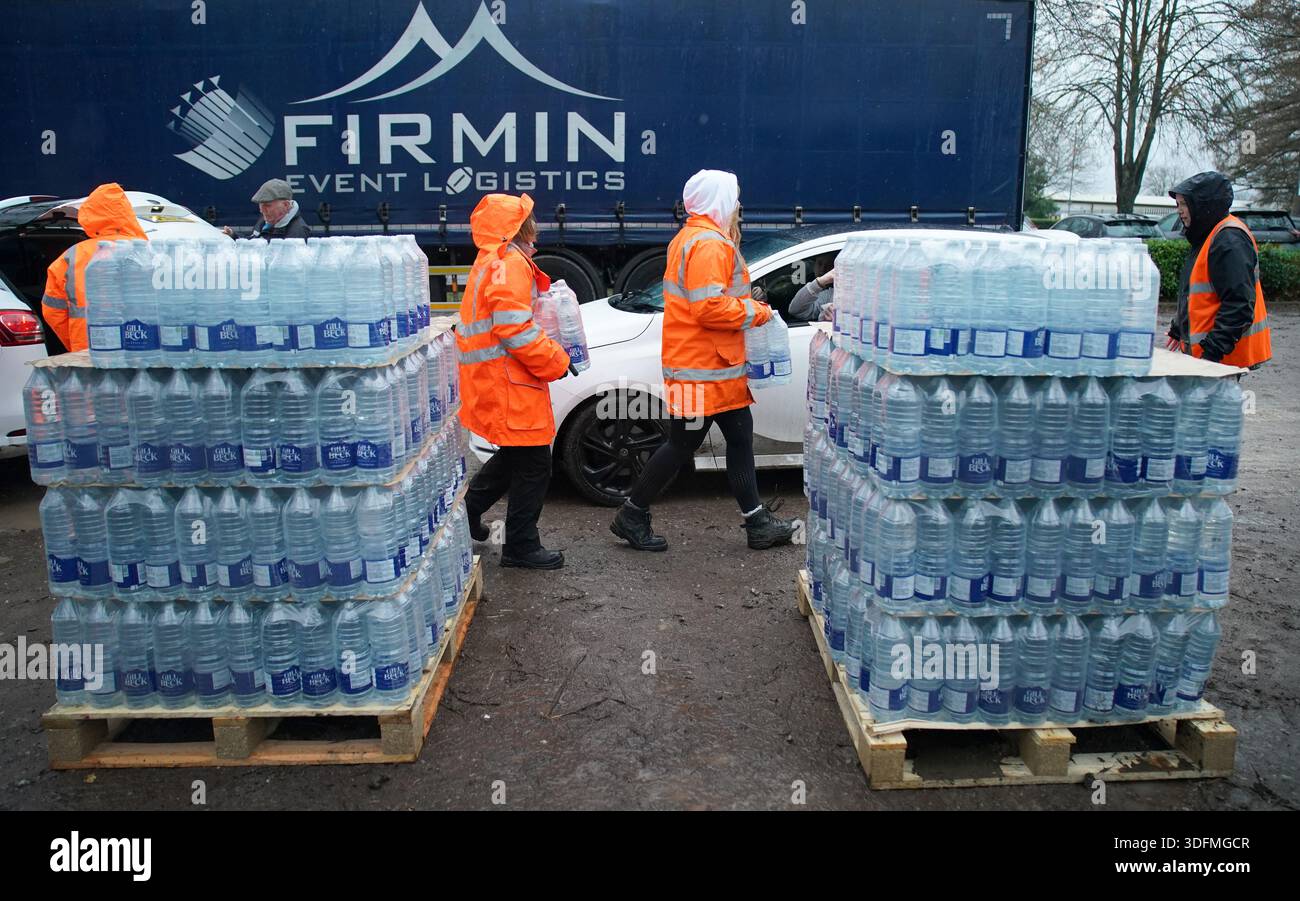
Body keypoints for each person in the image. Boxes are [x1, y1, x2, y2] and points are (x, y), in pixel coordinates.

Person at [611, 169, 797, 552]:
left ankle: (756, 520)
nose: (739, 205)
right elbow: (709, 308)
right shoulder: (710, 244)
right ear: (719, 201)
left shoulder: (690, 238)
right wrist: (756, 311)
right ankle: (631, 513)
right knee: (682, 444)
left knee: (738, 435)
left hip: (712, 369)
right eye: (735, 196)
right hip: (704, 370)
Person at [457, 193, 572, 570]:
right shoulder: (510, 264)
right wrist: (555, 359)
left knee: (516, 457)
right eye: (527, 218)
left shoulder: (491, 262)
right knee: (535, 463)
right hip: (510, 381)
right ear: (517, 227)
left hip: (498, 379)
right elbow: (515, 329)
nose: (533, 223)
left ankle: (467, 512)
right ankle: (520, 545)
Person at [1165, 171, 1271, 368]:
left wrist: (1211, 354)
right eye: (1178, 204)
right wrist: (1179, 327)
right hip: (1212, 359)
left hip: (1221, 362)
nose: (1179, 211)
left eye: (1185, 204)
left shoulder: (1228, 239)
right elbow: (1199, 294)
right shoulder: (1208, 234)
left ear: (1203, 205)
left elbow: (1238, 305)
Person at [41, 182, 148, 353]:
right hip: (143, 347)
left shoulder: (71, 257)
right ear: (127, 213)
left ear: (89, 215)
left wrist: (75, 344)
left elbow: (53, 312)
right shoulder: (148, 252)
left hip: (90, 350)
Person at [222, 178, 312, 240]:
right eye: (260, 205)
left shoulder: (298, 232)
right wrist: (233, 235)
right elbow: (253, 242)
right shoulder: (267, 218)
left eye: (267, 205)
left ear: (286, 205)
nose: (262, 210)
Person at [788, 252, 836, 321]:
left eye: (829, 265)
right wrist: (820, 282)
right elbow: (795, 311)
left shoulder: (834, 294)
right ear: (814, 264)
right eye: (819, 263)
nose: (822, 269)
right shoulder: (828, 295)